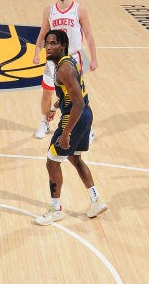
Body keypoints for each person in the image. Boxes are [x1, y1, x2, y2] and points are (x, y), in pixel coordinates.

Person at [34, 29, 107, 225]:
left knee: (52, 162)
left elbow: (78, 103)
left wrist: (66, 133)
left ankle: (55, 209)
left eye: (53, 43)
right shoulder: (69, 62)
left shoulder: (63, 69)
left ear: (63, 46)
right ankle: (96, 200)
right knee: (75, 158)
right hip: (85, 115)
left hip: (75, 116)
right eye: (47, 43)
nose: (48, 47)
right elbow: (73, 93)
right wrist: (55, 107)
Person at [31, 0, 98, 139]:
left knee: (78, 94)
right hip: (53, 59)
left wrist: (94, 58)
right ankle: (44, 122)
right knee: (47, 92)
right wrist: (36, 53)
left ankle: (87, 128)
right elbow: (42, 33)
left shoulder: (79, 9)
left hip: (73, 58)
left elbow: (89, 34)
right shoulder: (49, 11)